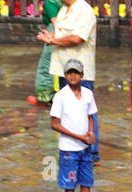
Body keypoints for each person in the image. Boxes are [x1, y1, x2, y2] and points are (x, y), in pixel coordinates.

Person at [39, 0, 101, 162]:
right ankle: (74, 150)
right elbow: (64, 35)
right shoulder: (65, 9)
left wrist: (53, 41)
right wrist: (53, 36)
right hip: (62, 69)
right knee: (68, 112)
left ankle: (91, 153)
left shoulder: (84, 10)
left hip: (81, 72)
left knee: (86, 112)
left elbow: (76, 38)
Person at [49, 60, 103, 192]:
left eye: (76, 73)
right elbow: (55, 124)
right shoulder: (61, 96)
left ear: (81, 75)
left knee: (86, 183)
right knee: (70, 184)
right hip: (68, 148)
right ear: (65, 76)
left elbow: (90, 116)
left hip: (85, 147)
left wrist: (89, 134)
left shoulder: (87, 94)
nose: (73, 76)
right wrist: (78, 136)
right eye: (69, 73)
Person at [26, 0, 62, 106]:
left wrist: (53, 38)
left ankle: (45, 97)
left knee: (46, 64)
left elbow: (57, 24)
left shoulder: (51, 2)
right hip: (60, 32)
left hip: (56, 33)